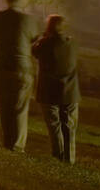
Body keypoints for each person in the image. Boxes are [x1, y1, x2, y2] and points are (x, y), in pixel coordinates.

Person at [0, 0, 39, 152]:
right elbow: (34, 40)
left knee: (5, 105)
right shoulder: (29, 20)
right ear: (23, 0)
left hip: (2, 63)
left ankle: (7, 140)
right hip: (22, 66)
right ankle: (17, 145)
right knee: (19, 107)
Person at [32, 14, 80, 164]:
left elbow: (34, 51)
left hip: (49, 91)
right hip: (70, 91)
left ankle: (58, 156)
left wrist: (42, 38)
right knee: (69, 126)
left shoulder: (45, 44)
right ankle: (69, 158)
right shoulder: (72, 43)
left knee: (54, 125)